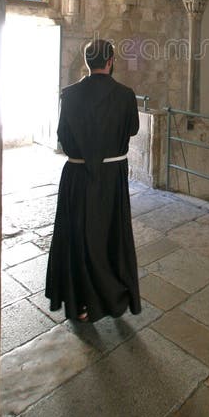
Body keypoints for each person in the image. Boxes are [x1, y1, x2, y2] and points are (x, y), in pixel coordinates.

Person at [45, 38, 141, 323]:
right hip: (112, 178)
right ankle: (113, 298)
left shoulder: (69, 95)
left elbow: (62, 136)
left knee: (78, 236)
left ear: (88, 62)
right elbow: (133, 129)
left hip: (78, 176)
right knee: (111, 234)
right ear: (110, 62)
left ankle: (81, 303)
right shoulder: (125, 95)